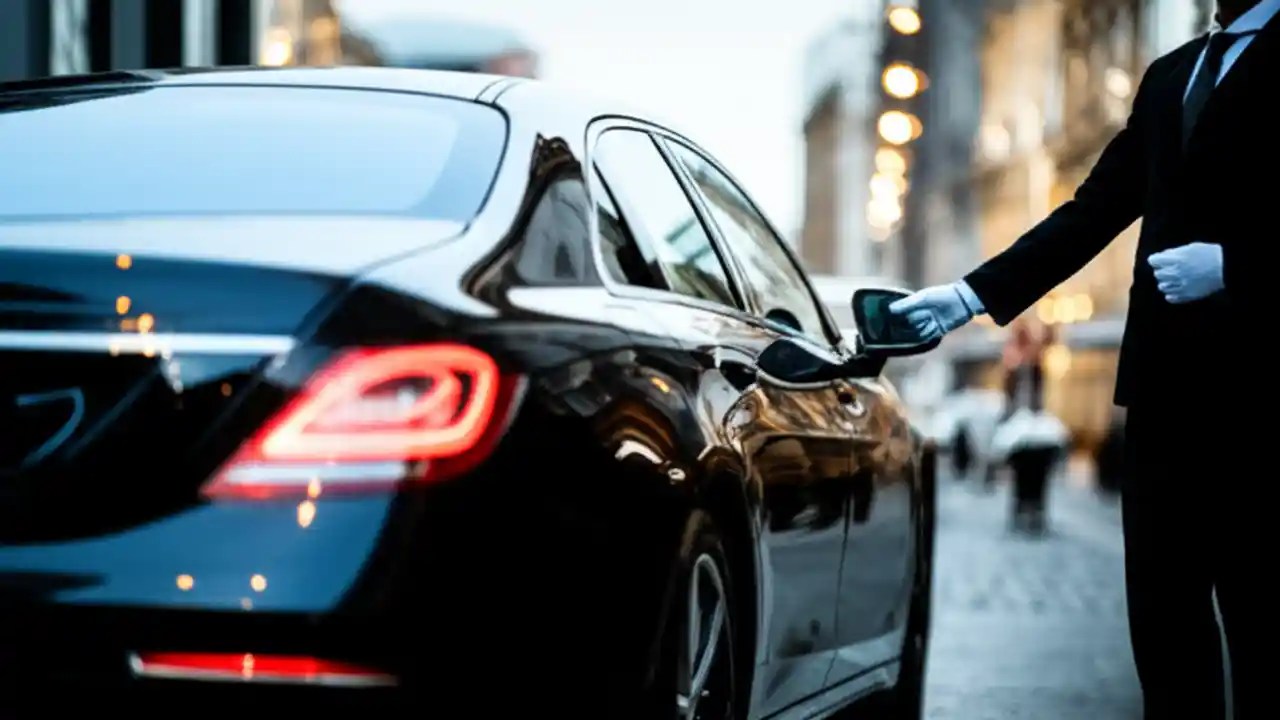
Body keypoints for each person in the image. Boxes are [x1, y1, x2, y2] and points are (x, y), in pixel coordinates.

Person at [888, 1, 1278, 717]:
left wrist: (1235, 265)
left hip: (1268, 408)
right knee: (1164, 634)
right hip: (1160, 402)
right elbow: (1093, 211)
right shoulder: (1172, 75)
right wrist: (970, 295)